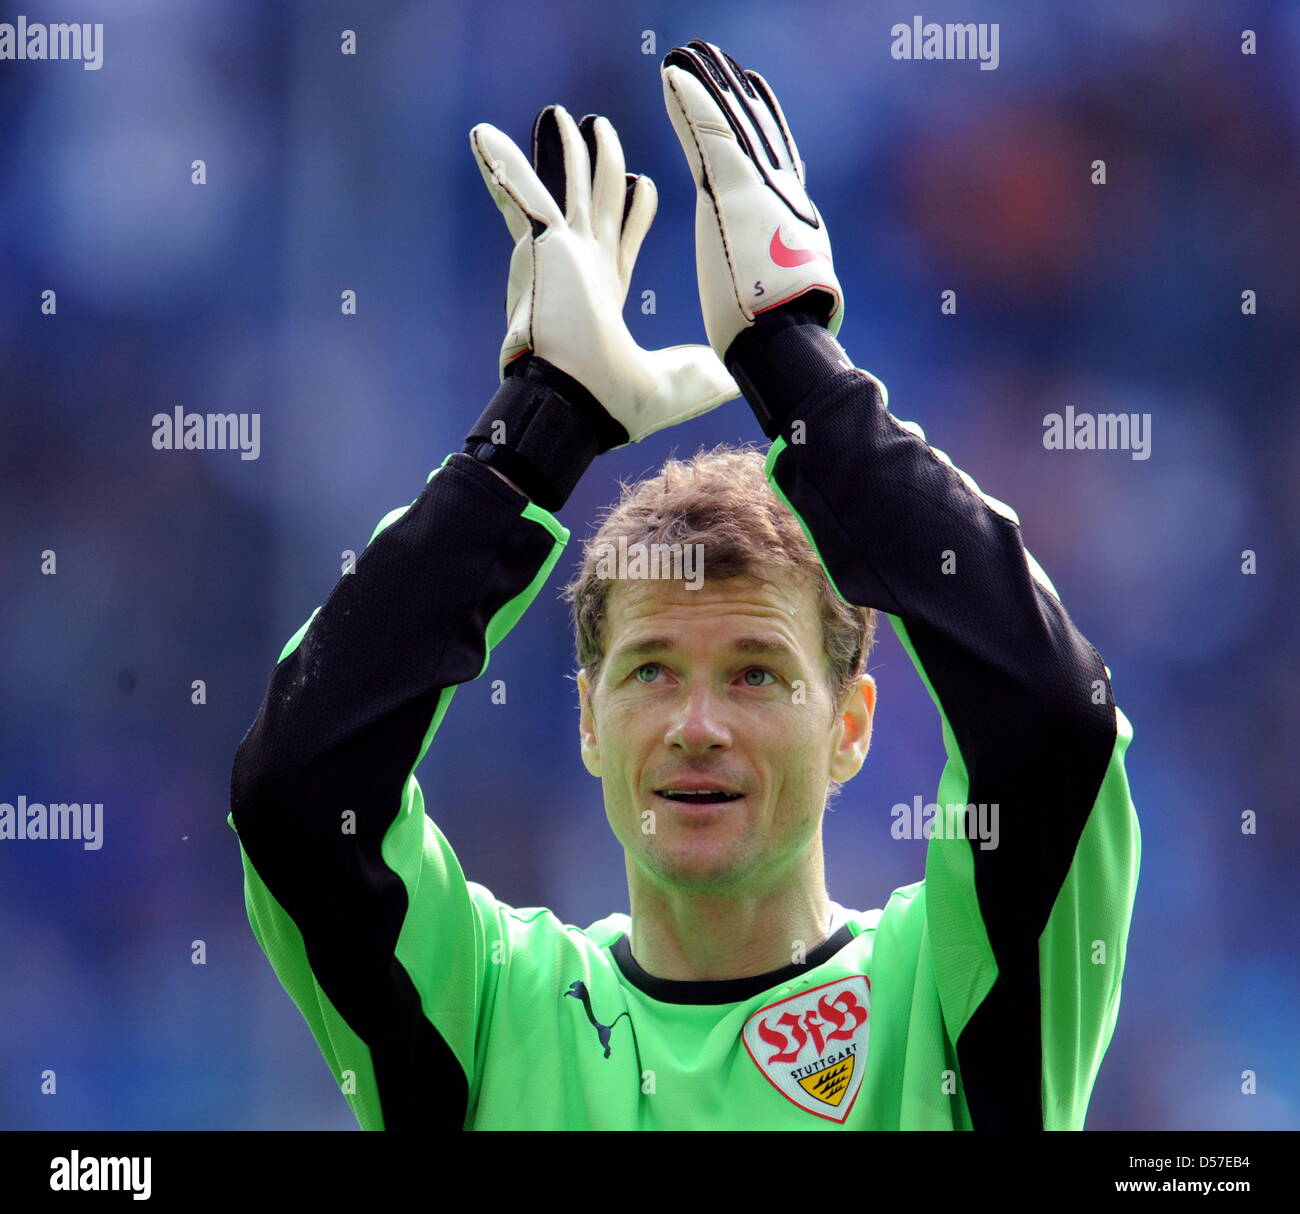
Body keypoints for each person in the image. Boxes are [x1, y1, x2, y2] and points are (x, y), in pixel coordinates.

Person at [228, 40, 1139, 1130]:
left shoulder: (948, 1001)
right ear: (588, 720)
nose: (695, 724)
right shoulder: (486, 1012)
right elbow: (297, 787)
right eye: (651, 670)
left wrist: (796, 365)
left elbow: (1051, 724)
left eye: (756, 674)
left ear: (851, 723)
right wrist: (532, 436)